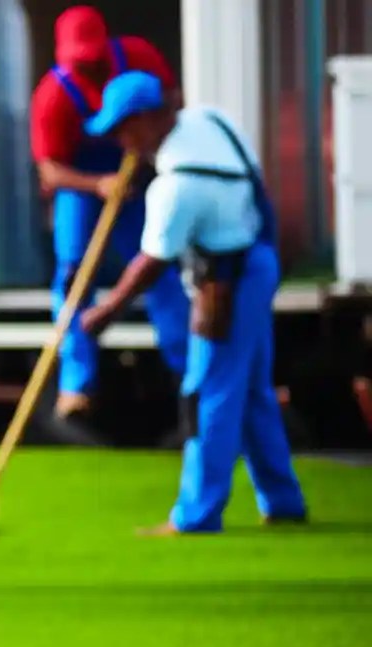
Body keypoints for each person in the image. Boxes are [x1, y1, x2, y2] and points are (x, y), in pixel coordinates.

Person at [79, 71, 309, 535]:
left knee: (208, 392)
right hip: (257, 262)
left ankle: (196, 514)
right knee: (251, 390)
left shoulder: (176, 187)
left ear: (146, 120)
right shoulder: (210, 121)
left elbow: (150, 263)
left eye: (123, 130)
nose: (121, 143)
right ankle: (282, 500)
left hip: (222, 283)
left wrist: (105, 311)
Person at [30, 5, 190, 426]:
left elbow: (172, 103)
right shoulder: (54, 94)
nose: (88, 65)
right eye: (79, 59)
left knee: (156, 264)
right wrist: (97, 185)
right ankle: (77, 382)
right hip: (82, 182)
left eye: (93, 56)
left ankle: (187, 370)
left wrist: (142, 151)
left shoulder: (138, 56)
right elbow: (50, 169)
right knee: (74, 270)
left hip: (133, 173)